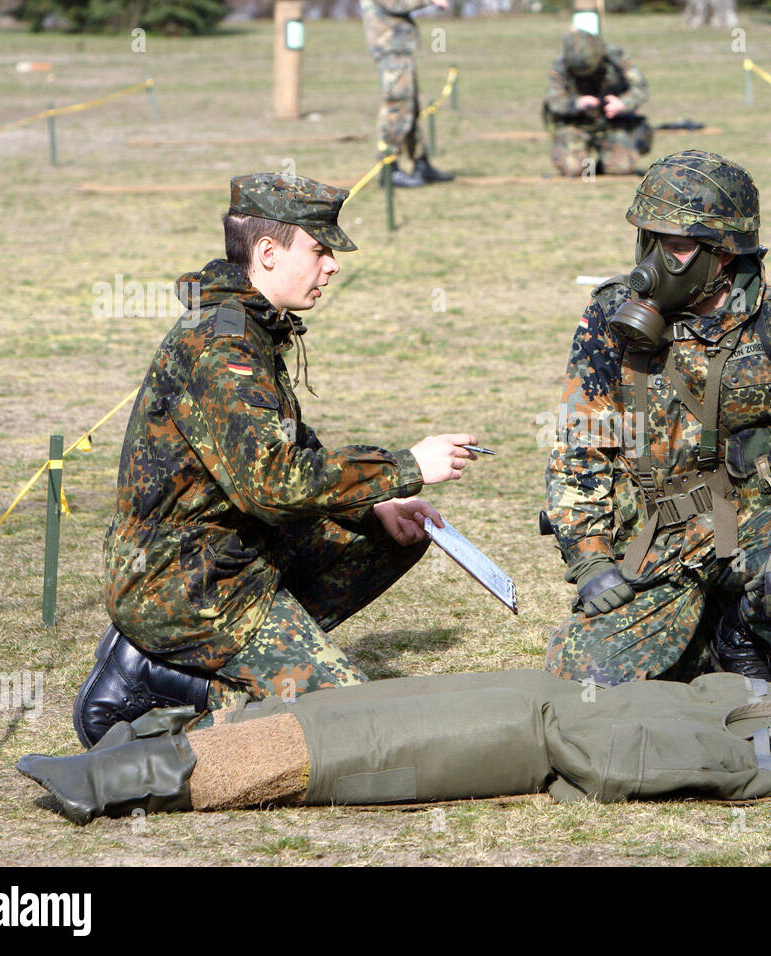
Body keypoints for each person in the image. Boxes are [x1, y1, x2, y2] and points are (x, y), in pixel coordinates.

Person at [73, 173, 480, 747]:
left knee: (399, 531)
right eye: (319, 250)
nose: (333, 265)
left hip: (236, 553)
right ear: (266, 253)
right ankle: (171, 681)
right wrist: (405, 465)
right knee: (349, 729)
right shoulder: (222, 343)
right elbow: (272, 484)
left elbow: (292, 449)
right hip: (186, 581)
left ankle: (241, 659)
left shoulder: (252, 327)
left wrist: (379, 503)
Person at [19, 668, 771, 854]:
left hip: (626, 714)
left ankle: (139, 766)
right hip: (655, 725)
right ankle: (154, 757)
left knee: (390, 723)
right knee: (387, 736)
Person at [542, 150, 771, 687]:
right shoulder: (609, 315)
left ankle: (742, 635)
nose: (656, 259)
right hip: (656, 537)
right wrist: (589, 558)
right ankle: (692, 634)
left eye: (679, 246)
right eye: (650, 239)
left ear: (724, 256)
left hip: (752, 520)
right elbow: (580, 446)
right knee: (583, 676)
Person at [359, 0, 454, 188]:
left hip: (397, 45)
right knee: (398, 104)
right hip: (390, 46)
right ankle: (390, 168)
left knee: (410, 107)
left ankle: (421, 163)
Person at [544, 29, 652, 177]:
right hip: (577, 126)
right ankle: (583, 159)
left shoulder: (616, 58)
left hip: (613, 125)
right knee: (572, 168)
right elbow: (554, 101)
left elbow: (640, 88)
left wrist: (622, 103)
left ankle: (606, 161)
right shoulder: (561, 66)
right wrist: (577, 103)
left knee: (621, 168)